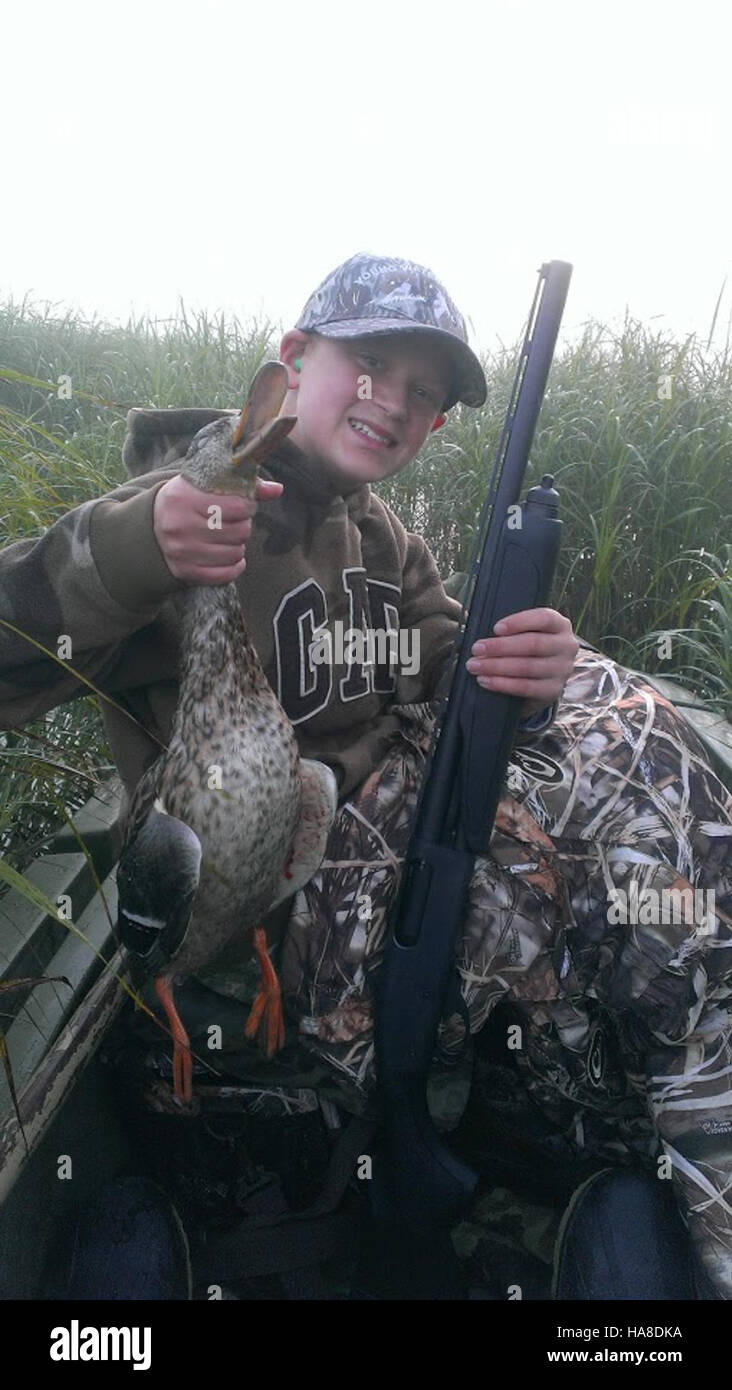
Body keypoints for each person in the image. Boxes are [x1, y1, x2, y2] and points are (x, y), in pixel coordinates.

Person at [0, 254, 730, 1301]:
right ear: (294, 360)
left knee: (626, 735)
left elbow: (453, 669)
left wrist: (533, 664)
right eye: (370, 362)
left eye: (422, 391)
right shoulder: (190, 511)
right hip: (254, 910)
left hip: (365, 876)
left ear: (436, 427)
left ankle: (664, 1124)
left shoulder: (387, 542)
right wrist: (134, 548)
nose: (392, 401)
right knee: (634, 791)